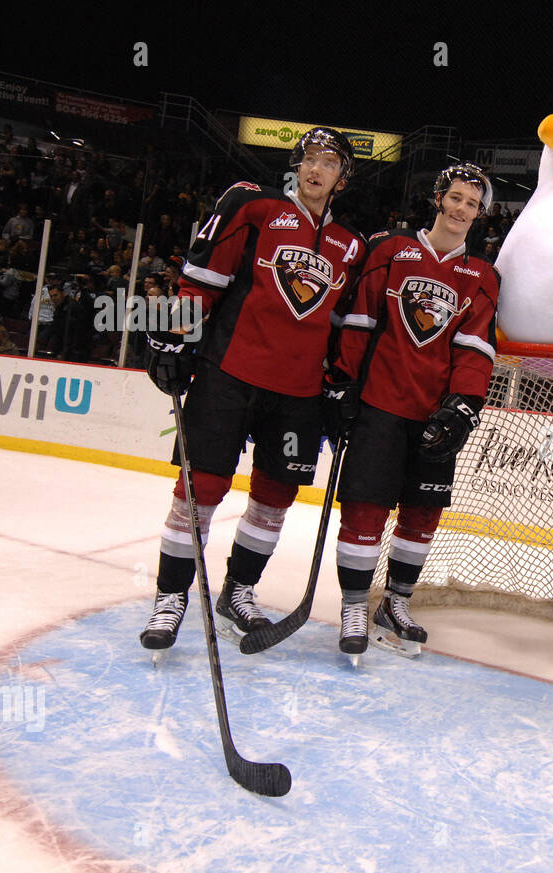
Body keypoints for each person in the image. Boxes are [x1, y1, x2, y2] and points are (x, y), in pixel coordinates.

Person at [138, 128, 369, 652]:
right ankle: (170, 597)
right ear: (297, 165)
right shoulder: (252, 205)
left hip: (297, 397)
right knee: (198, 493)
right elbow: (201, 281)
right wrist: (174, 338)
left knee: (274, 500)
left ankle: (239, 591)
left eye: (329, 163)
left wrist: (338, 385)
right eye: (309, 159)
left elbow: (341, 326)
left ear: (343, 178)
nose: (316, 169)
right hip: (227, 378)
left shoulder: (350, 245)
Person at [327, 162, 500, 657]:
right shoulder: (391, 249)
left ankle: (396, 603)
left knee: (423, 513)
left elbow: (473, 348)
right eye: (456, 198)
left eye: (473, 203)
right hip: (381, 404)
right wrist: (340, 383)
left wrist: (465, 405)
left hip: (435, 414)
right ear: (439, 199)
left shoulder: (482, 276)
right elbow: (359, 320)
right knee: (366, 508)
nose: (462, 208)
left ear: (480, 213)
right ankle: (356, 604)